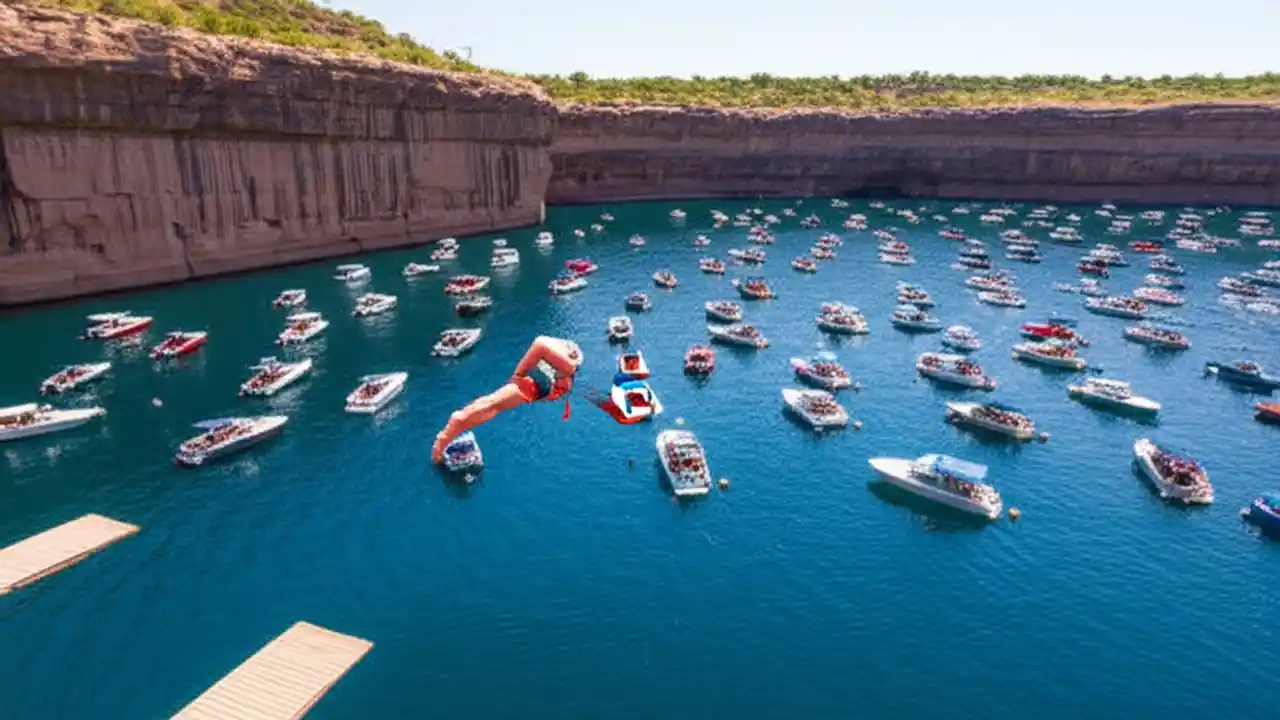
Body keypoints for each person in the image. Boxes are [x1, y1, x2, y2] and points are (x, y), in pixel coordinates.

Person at [431, 336, 583, 463]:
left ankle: (451, 430)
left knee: (490, 407)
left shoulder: (560, 374)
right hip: (527, 389)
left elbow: (542, 350)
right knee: (490, 406)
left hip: (529, 389)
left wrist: (522, 375)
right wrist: (519, 374)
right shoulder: (567, 370)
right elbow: (540, 344)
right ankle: (449, 432)